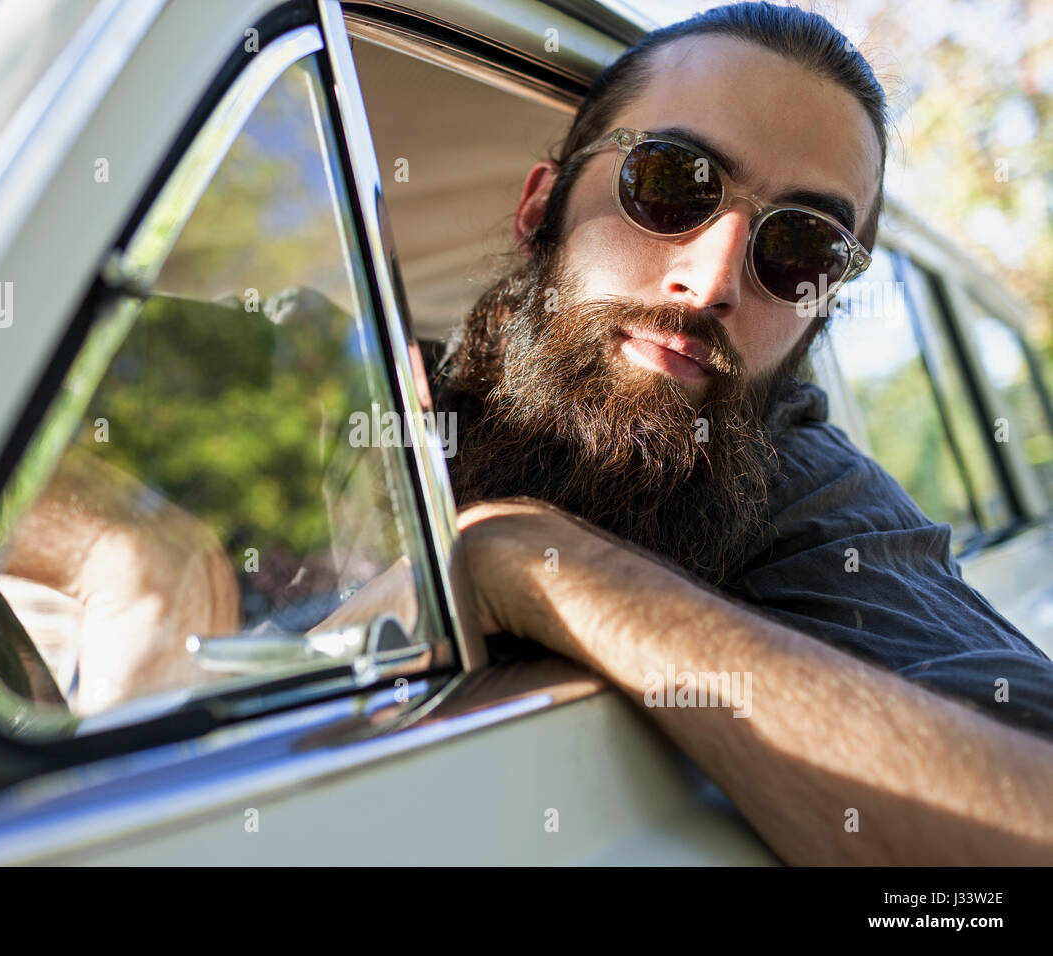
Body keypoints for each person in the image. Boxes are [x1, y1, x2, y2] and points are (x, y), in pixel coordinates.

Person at [429, 1, 1053, 864]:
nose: (714, 278)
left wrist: (538, 561)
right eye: (671, 181)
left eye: (801, 249)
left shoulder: (811, 500)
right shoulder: (365, 397)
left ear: (820, 313)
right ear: (542, 206)